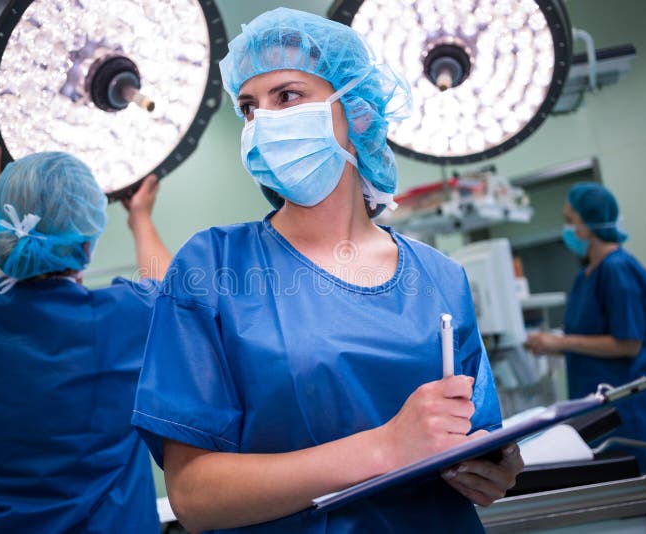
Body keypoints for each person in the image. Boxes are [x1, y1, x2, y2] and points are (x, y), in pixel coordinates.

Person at [132, 8, 523, 533]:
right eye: (249, 107)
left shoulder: (440, 277)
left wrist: (490, 468)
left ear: (356, 114)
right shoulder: (214, 268)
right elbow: (195, 497)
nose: (262, 122)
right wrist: (385, 447)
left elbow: (472, 433)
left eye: (287, 96)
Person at [0, 131, 172, 532]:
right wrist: (141, 219)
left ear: (1, 231)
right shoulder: (125, 319)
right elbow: (175, 296)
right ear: (86, 245)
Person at [526, 182, 646, 476]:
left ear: (591, 224)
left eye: (571, 220)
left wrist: (561, 343)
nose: (566, 229)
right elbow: (587, 335)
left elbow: (628, 344)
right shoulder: (586, 276)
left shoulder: (617, 268)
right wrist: (553, 342)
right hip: (600, 407)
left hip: (630, 407)